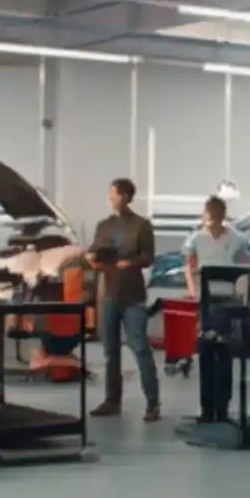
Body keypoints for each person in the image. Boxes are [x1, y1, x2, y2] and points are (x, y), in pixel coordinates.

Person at [87, 178, 160, 421]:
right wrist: (92, 258)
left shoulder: (141, 226)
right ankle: (111, 400)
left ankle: (152, 402)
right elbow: (95, 250)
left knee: (140, 347)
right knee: (110, 351)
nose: (111, 198)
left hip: (133, 294)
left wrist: (132, 262)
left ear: (127, 196)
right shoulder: (104, 226)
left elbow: (149, 256)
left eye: (115, 194)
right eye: (110, 194)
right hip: (109, 292)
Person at [182, 196, 248, 423]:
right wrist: (193, 293)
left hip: (227, 301)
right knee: (206, 353)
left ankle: (222, 408)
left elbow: (244, 268)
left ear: (222, 216)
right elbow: (189, 268)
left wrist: (242, 295)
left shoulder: (236, 240)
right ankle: (207, 409)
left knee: (225, 354)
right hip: (206, 302)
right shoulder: (196, 240)